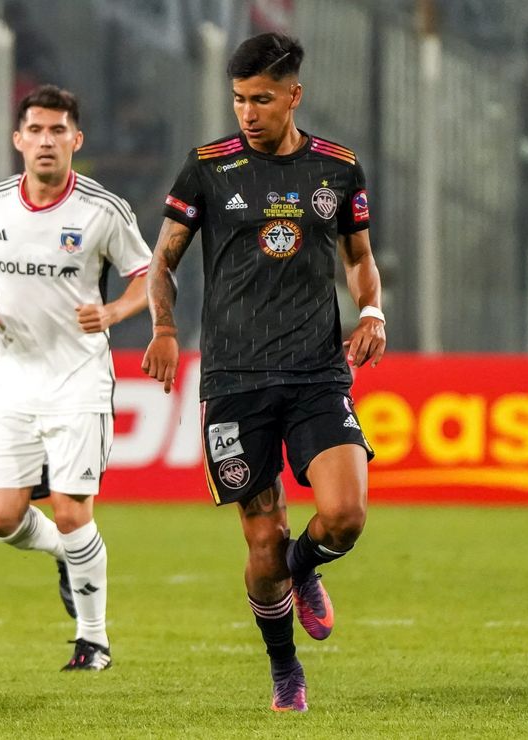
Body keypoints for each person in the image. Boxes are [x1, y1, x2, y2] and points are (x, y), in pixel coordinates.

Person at [141, 33, 385, 712]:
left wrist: (372, 313)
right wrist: (163, 327)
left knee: (344, 515)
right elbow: (162, 259)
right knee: (262, 537)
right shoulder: (207, 167)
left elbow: (360, 256)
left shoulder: (338, 169)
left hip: (315, 372)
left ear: (293, 96)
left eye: (263, 99)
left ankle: (302, 574)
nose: (248, 112)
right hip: (233, 380)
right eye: (240, 99)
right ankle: (287, 673)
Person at [0, 85, 152, 671]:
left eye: (58, 130)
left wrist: (115, 311)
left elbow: (148, 276)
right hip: (13, 377)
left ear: (77, 139)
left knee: (72, 510)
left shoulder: (103, 210)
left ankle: (93, 640)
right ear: (18, 139)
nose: (46, 141)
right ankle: (68, 556)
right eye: (36, 131)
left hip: (78, 378)